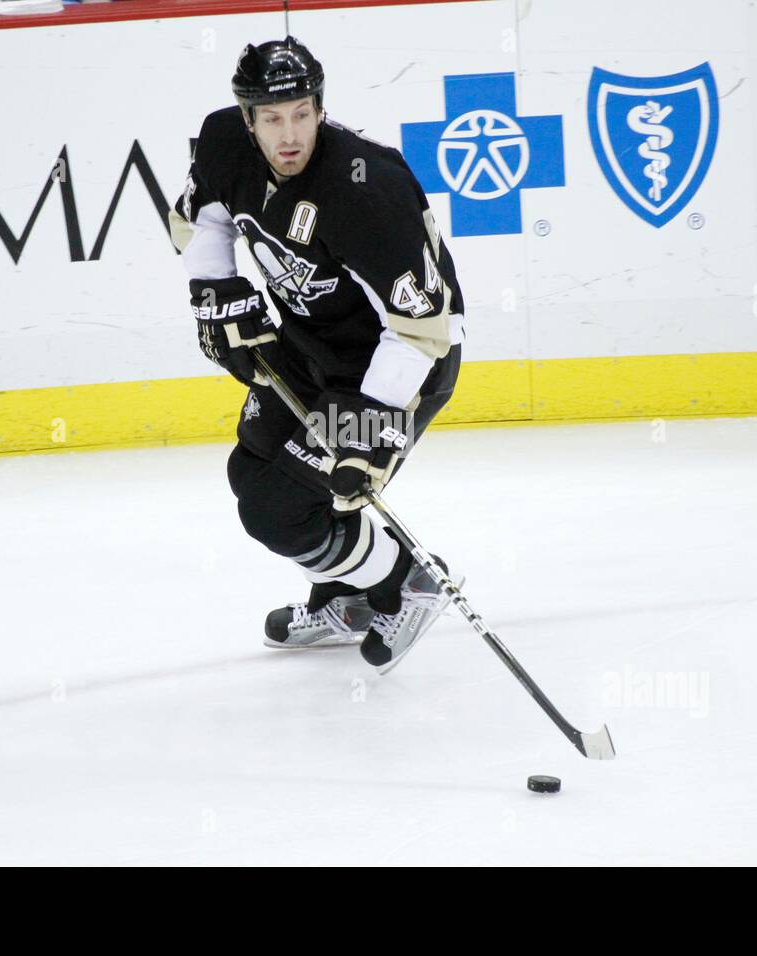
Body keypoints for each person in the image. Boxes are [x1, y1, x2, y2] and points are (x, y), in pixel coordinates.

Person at [169, 36, 465, 669]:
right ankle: (350, 596)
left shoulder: (365, 189)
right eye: (272, 118)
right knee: (251, 475)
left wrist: (370, 423)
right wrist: (218, 293)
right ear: (247, 118)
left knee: (283, 507)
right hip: (310, 345)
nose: (290, 134)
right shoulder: (224, 142)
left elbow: (419, 328)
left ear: (321, 107)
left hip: (400, 362)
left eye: (303, 112)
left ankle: (405, 584)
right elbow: (199, 219)